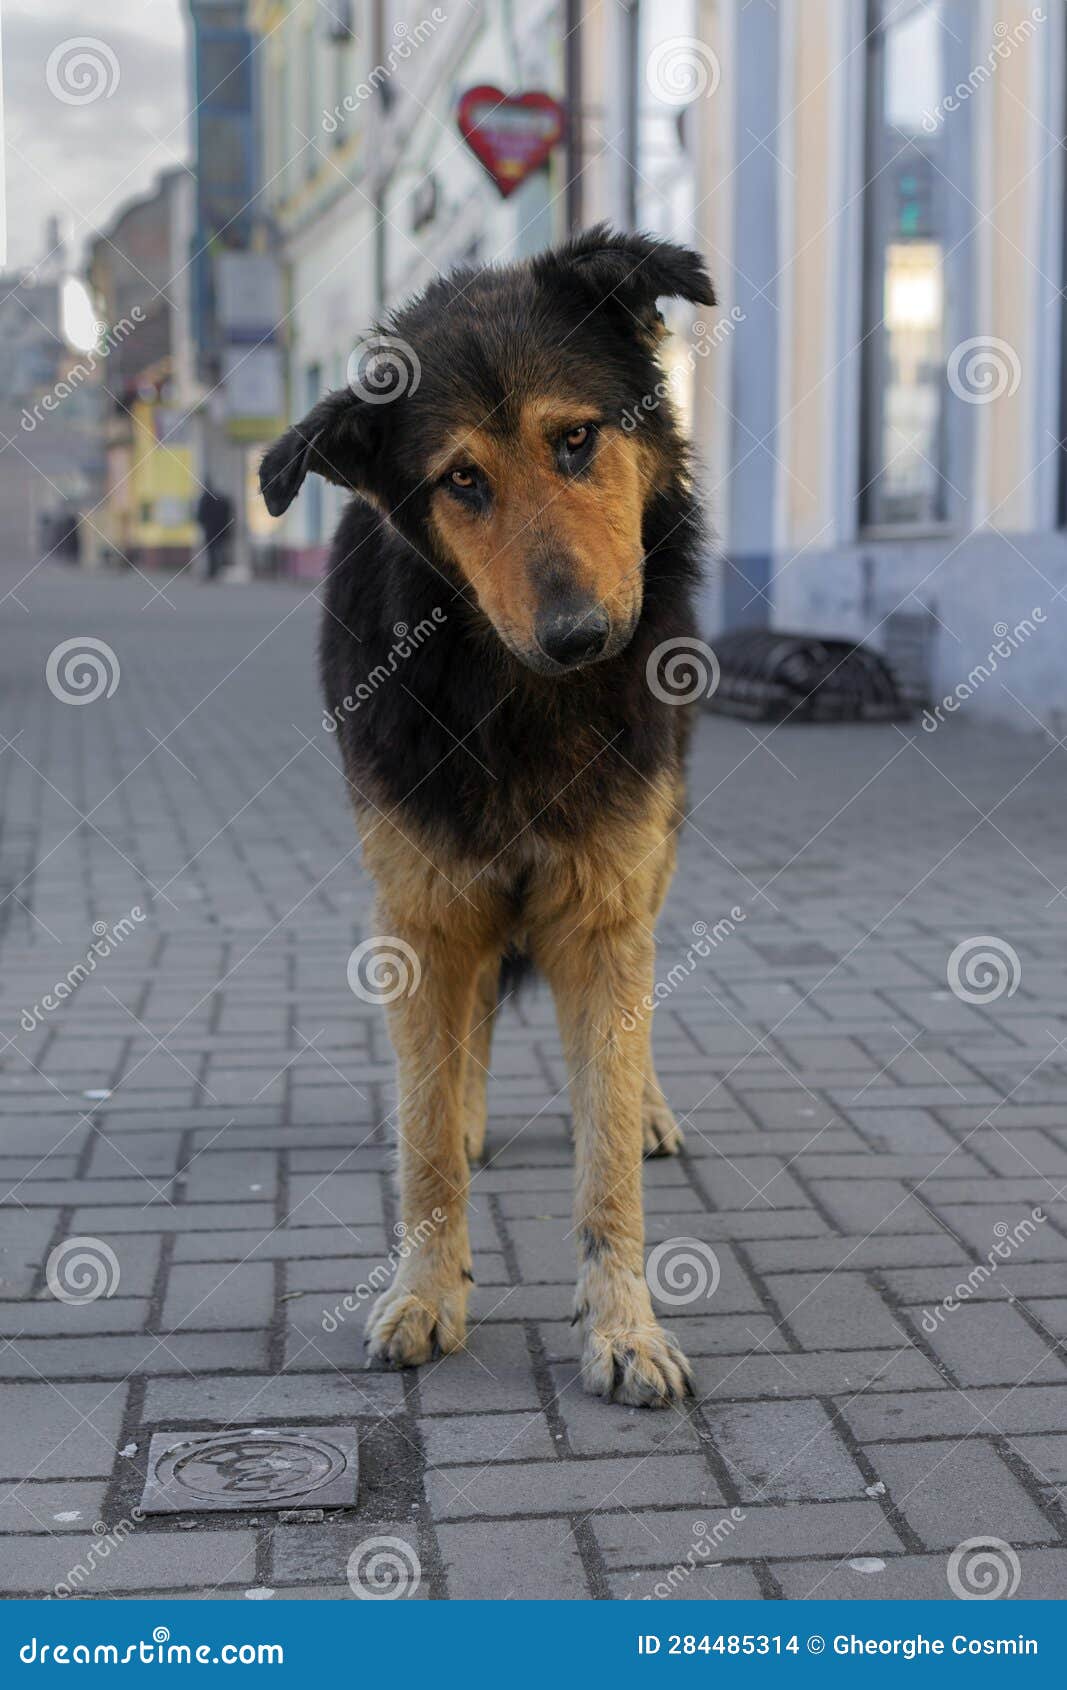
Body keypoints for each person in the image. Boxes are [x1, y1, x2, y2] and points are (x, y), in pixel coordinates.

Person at [196, 483, 234, 581]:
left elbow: (200, 516)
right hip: (220, 530)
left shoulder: (205, 500)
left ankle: (213, 572)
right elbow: (228, 516)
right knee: (219, 550)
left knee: (212, 552)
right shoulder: (222, 500)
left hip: (211, 530)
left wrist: (203, 524)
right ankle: (217, 570)